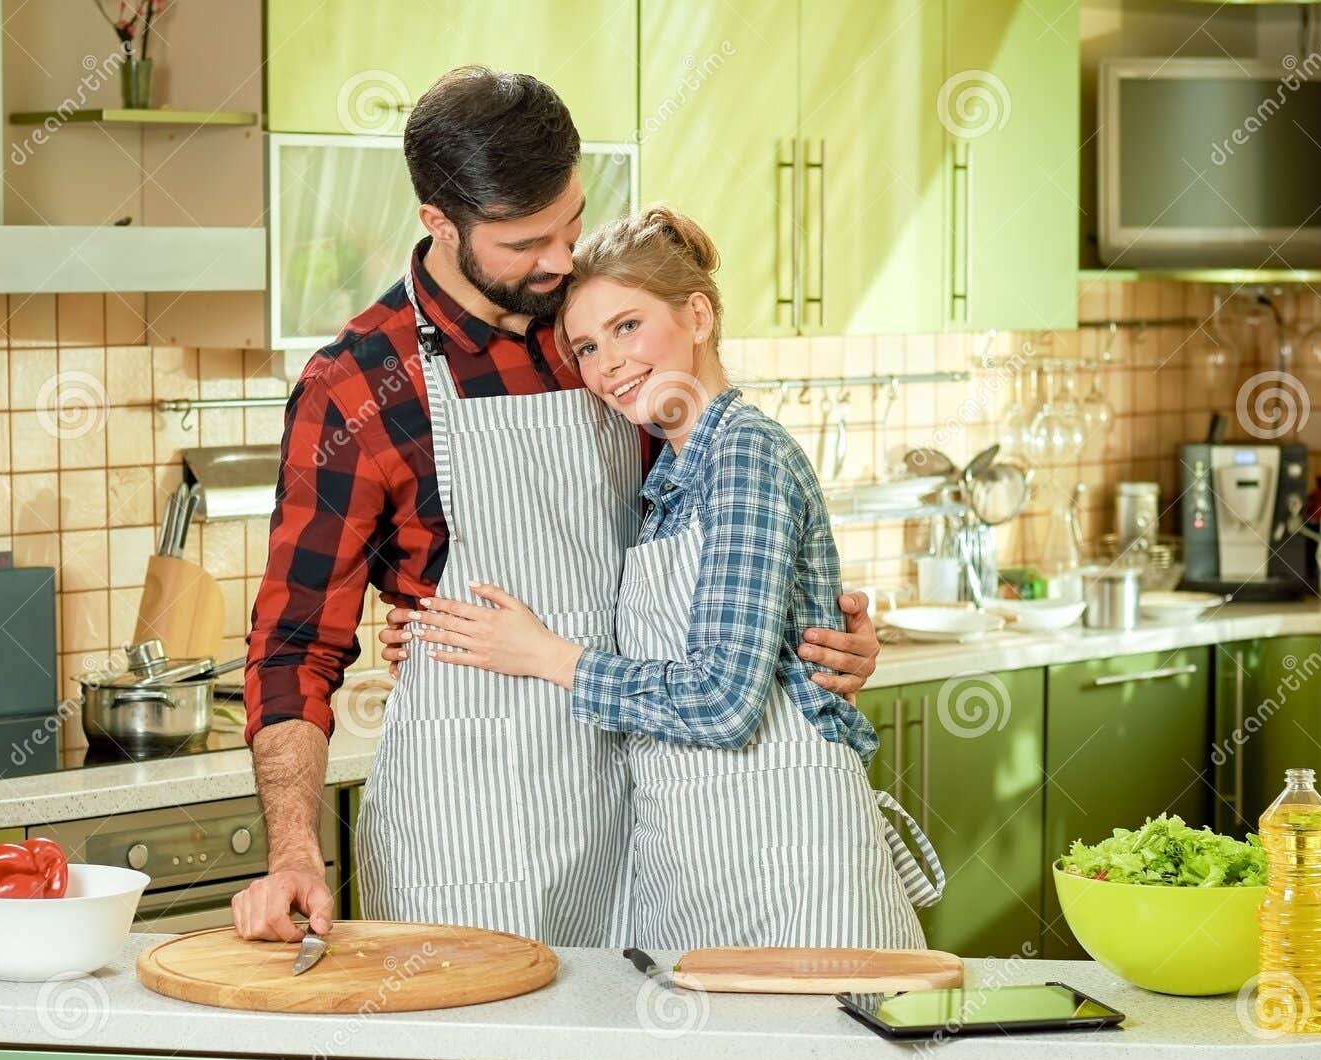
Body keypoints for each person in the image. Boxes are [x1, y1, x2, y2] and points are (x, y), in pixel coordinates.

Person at [233, 67, 881, 947]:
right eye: (524, 242)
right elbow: (296, 645)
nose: (557, 260)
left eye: (570, 222)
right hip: (469, 831)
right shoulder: (357, 384)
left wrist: (817, 627)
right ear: (438, 223)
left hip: (652, 819)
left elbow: (714, 522)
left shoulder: (601, 326)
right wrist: (295, 852)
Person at [386, 206, 944, 951]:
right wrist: (426, 630)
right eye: (585, 345)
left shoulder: (744, 456)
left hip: (791, 862)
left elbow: (722, 702)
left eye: (628, 326)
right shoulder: (670, 472)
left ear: (699, 315)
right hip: (700, 860)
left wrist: (545, 654)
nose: (607, 363)